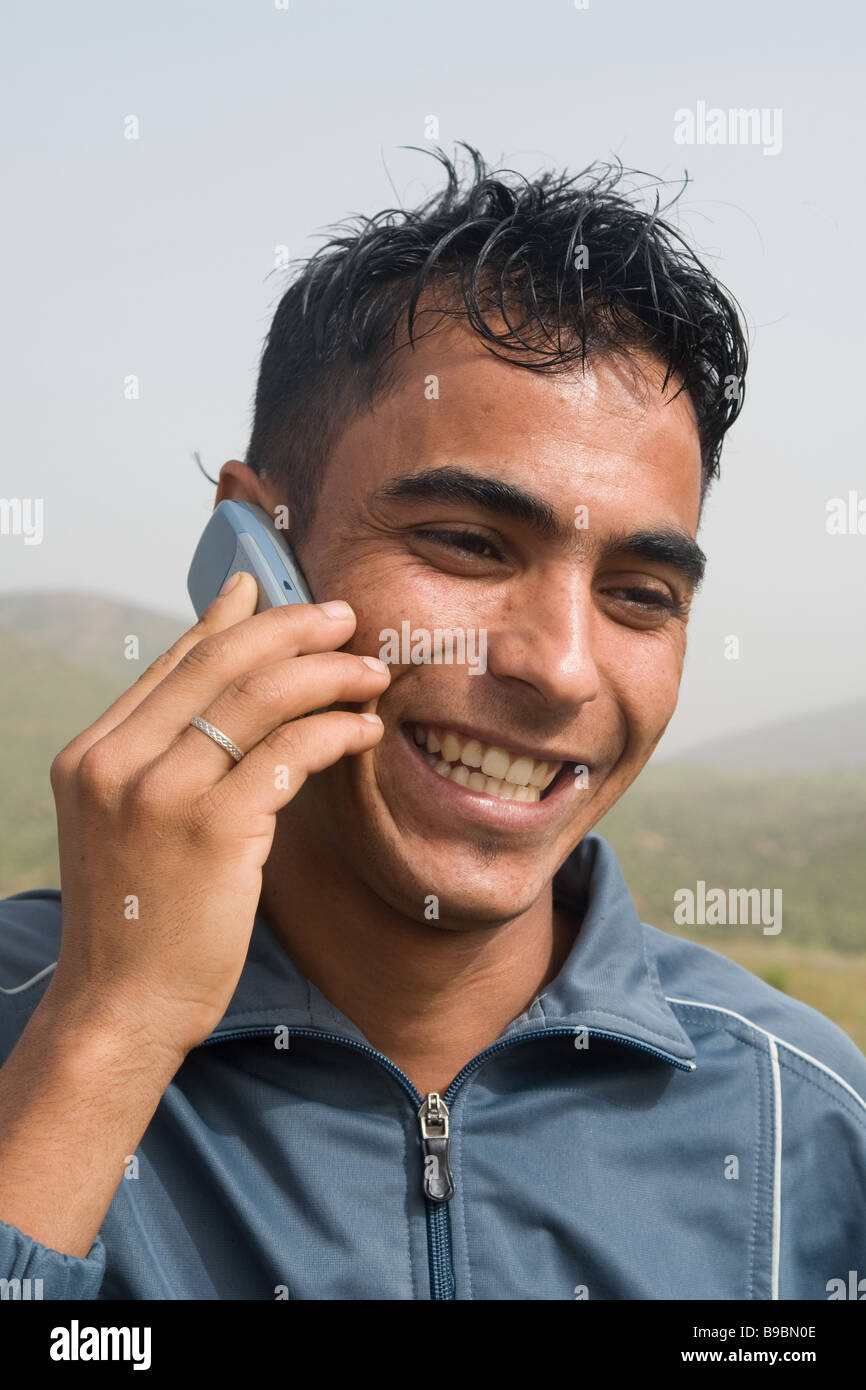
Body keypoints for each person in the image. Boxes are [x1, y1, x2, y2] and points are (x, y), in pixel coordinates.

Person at [1, 147, 863, 1301]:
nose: (558, 669)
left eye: (639, 595)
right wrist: (107, 1031)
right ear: (259, 551)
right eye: (465, 543)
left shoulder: (795, 1110)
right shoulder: (33, 1024)